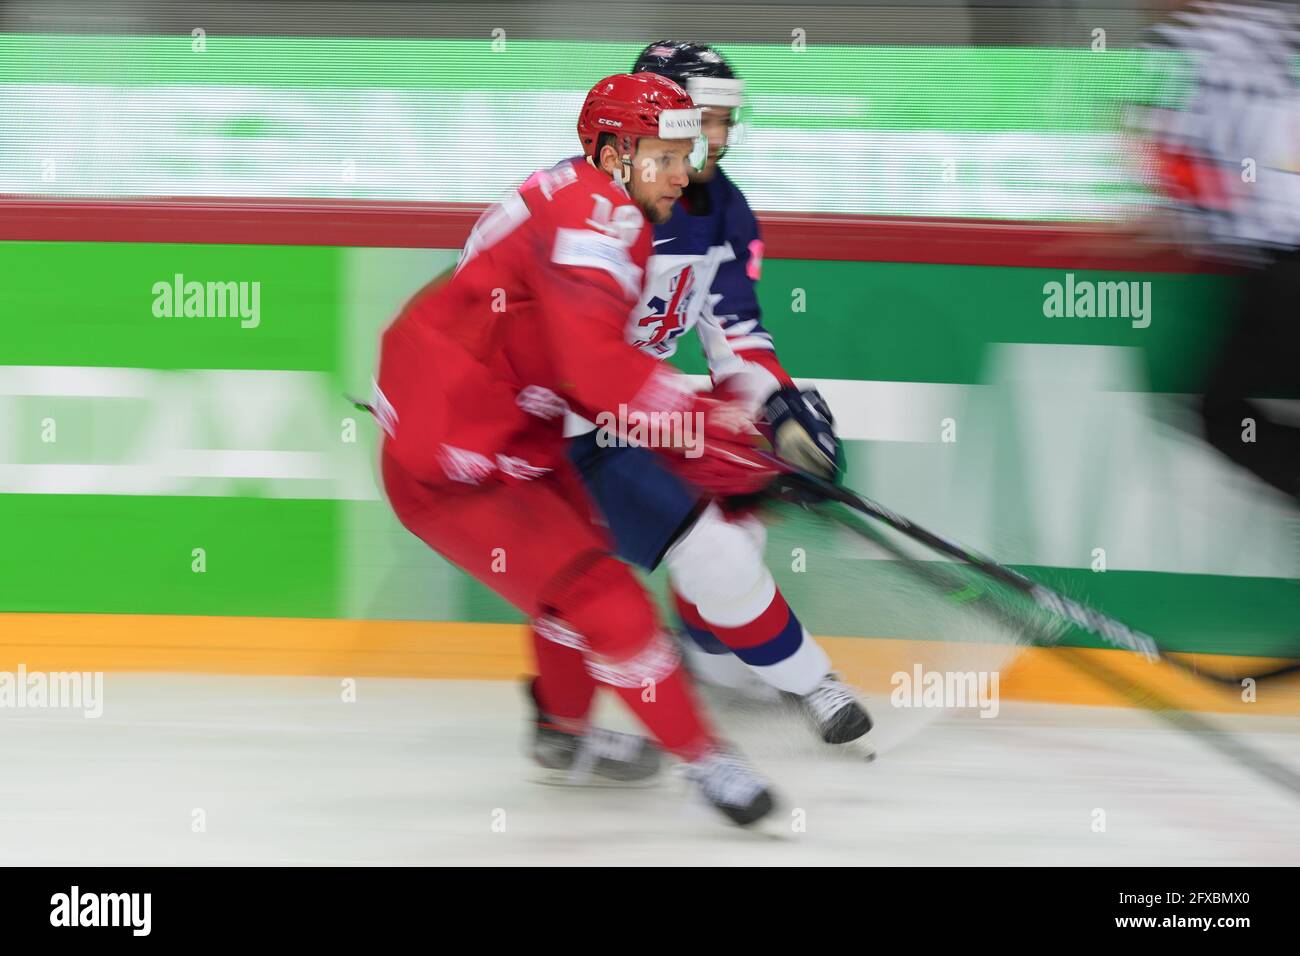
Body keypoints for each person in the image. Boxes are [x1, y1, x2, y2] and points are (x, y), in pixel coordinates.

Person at [372, 72, 781, 826]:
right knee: (604, 599)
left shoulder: (592, 199)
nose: (683, 173)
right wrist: (698, 420)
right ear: (612, 150)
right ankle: (707, 761)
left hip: (502, 425)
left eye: (686, 154)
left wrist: (690, 419)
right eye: (664, 154)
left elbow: (580, 363)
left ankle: (563, 734)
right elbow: (595, 371)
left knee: (577, 568)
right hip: (457, 461)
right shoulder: (598, 216)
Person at [564, 42, 873, 747]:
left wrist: (780, 408)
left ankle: (713, 656)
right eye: (706, 120)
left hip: (627, 407)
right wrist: (681, 415)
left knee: (741, 514)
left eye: (728, 122)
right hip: (564, 423)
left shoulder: (723, 210)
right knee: (708, 554)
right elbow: (577, 355)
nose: (721, 139)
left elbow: (734, 331)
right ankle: (811, 680)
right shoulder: (598, 208)